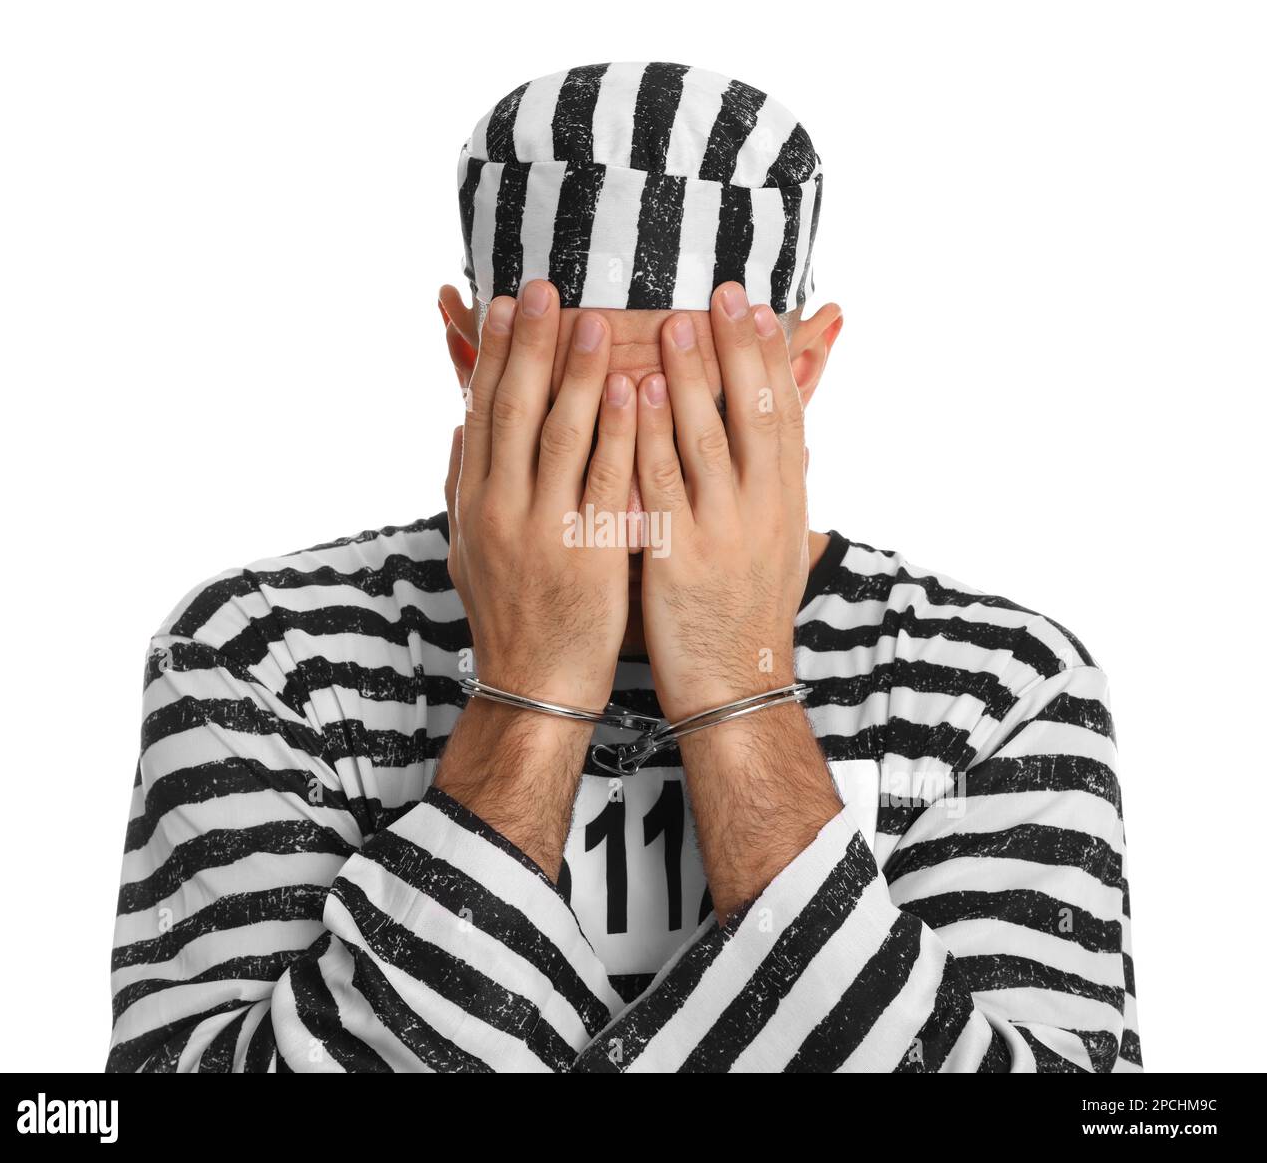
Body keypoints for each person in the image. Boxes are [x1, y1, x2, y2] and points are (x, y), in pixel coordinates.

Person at [107, 61, 1140, 1072]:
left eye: (694, 405)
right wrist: (532, 690)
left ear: (802, 372)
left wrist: (738, 686)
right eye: (582, 396)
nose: (635, 462)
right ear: (475, 366)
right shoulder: (261, 654)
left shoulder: (1002, 685)